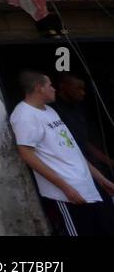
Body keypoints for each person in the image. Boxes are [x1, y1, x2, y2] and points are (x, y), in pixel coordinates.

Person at [10, 70, 114, 235]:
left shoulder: (49, 111)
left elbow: (72, 150)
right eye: (50, 85)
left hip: (86, 187)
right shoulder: (24, 115)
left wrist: (101, 180)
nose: (54, 89)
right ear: (39, 88)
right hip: (67, 193)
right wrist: (66, 188)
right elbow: (26, 154)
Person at [52, 73, 114, 179]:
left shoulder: (79, 107)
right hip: (78, 165)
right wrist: (108, 161)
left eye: (83, 88)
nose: (83, 93)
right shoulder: (55, 111)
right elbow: (81, 142)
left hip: (96, 162)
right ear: (63, 86)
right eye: (78, 88)